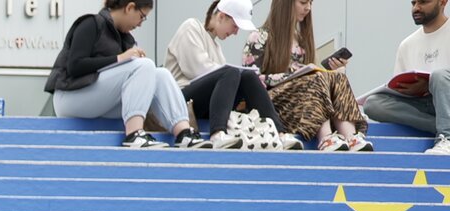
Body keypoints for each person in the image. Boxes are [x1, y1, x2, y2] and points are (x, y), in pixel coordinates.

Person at [47, 0, 212, 148]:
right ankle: (134, 134)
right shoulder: (91, 23)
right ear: (130, 7)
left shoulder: (125, 39)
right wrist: (120, 58)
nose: (140, 24)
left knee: (160, 73)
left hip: (101, 103)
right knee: (144, 66)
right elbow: (75, 66)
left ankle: (183, 133)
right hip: (69, 98)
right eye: (142, 16)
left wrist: (129, 61)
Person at [165, 0, 302, 147]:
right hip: (180, 103)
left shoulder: (216, 47)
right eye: (235, 26)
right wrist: (232, 75)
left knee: (248, 76)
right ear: (221, 16)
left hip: (203, 103)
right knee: (231, 72)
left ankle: (280, 133)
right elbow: (196, 70)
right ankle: (217, 134)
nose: (236, 32)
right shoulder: (191, 27)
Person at [245, 0, 374, 150]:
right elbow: (251, 80)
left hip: (304, 101)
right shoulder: (259, 37)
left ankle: (351, 137)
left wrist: (327, 72)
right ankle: (325, 138)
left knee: (337, 77)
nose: (308, 8)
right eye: (303, 2)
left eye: (310, 3)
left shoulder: (301, 40)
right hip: (274, 105)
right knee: (315, 77)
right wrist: (292, 76)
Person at [360, 0, 450, 154]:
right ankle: (440, 125)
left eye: (423, 2)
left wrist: (430, 84)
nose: (416, 8)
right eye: (413, 3)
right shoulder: (407, 44)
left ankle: (446, 137)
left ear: (443, 2)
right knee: (372, 104)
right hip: (421, 104)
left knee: (439, 76)